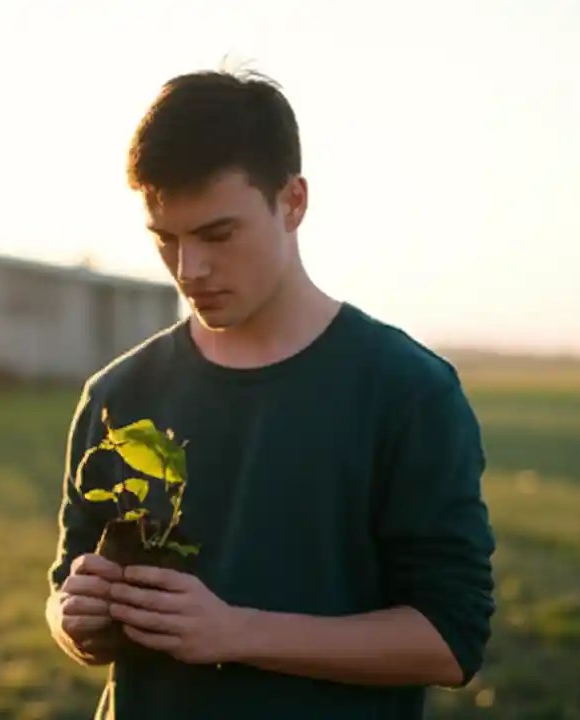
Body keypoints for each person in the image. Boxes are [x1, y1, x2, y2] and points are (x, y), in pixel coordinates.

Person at [44, 68, 496, 719]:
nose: (188, 270)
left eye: (217, 235)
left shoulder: (408, 392)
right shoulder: (118, 394)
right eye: (166, 240)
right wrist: (75, 619)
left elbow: (451, 640)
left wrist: (237, 632)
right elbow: (66, 595)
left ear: (293, 202)